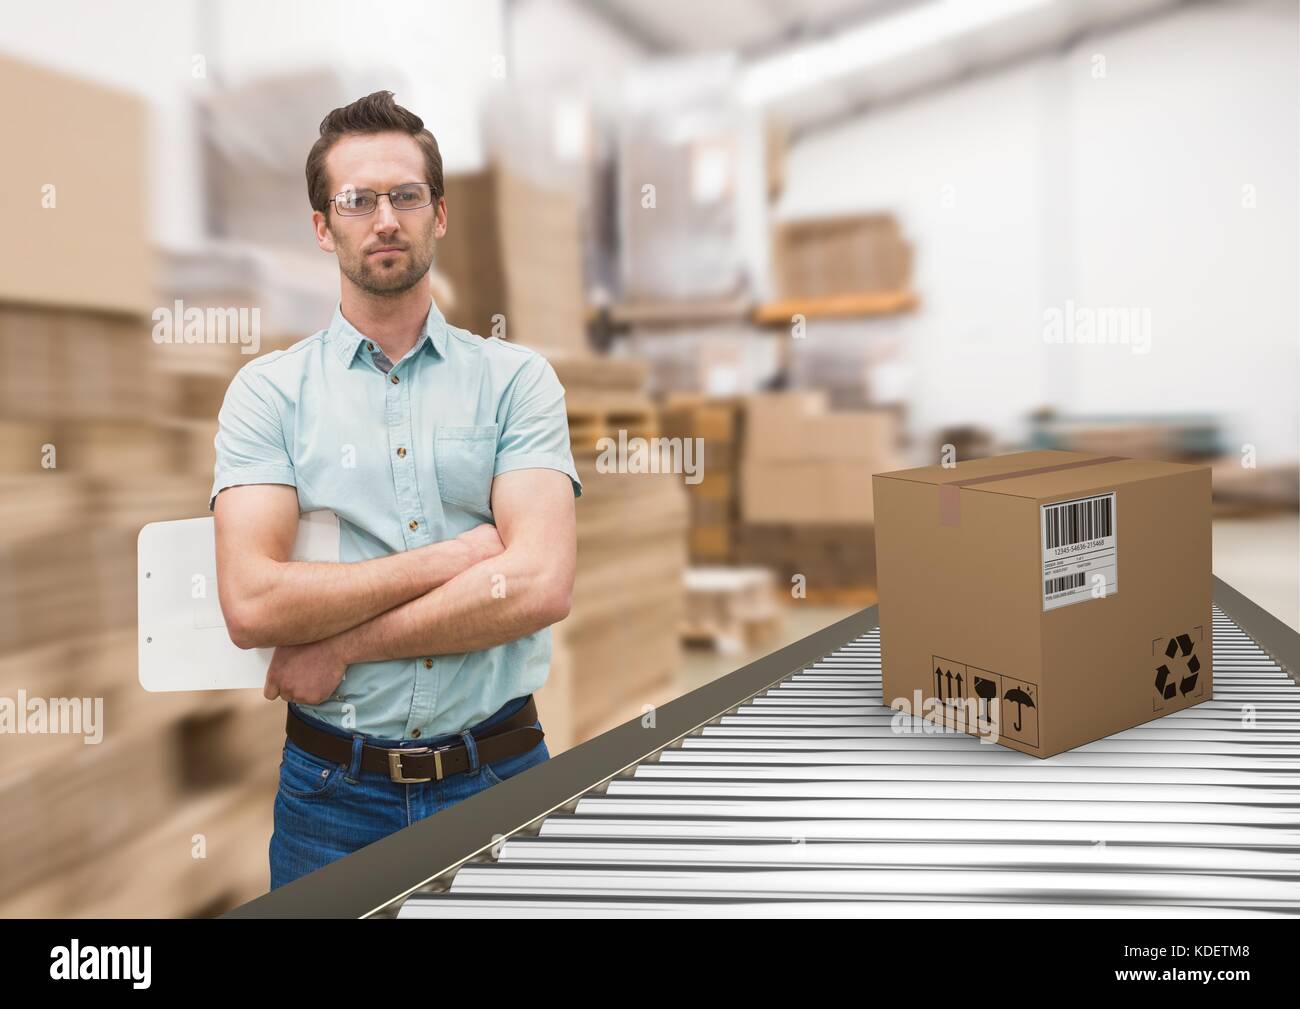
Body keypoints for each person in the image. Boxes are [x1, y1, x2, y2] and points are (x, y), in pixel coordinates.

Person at [209, 90, 581, 890]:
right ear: (323, 226)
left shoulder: (517, 381)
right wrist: (454, 557)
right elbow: (252, 602)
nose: (385, 219)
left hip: (500, 775)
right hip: (332, 798)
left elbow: (540, 583)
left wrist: (341, 644)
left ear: (438, 214)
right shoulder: (268, 395)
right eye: (357, 200)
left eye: (406, 196)